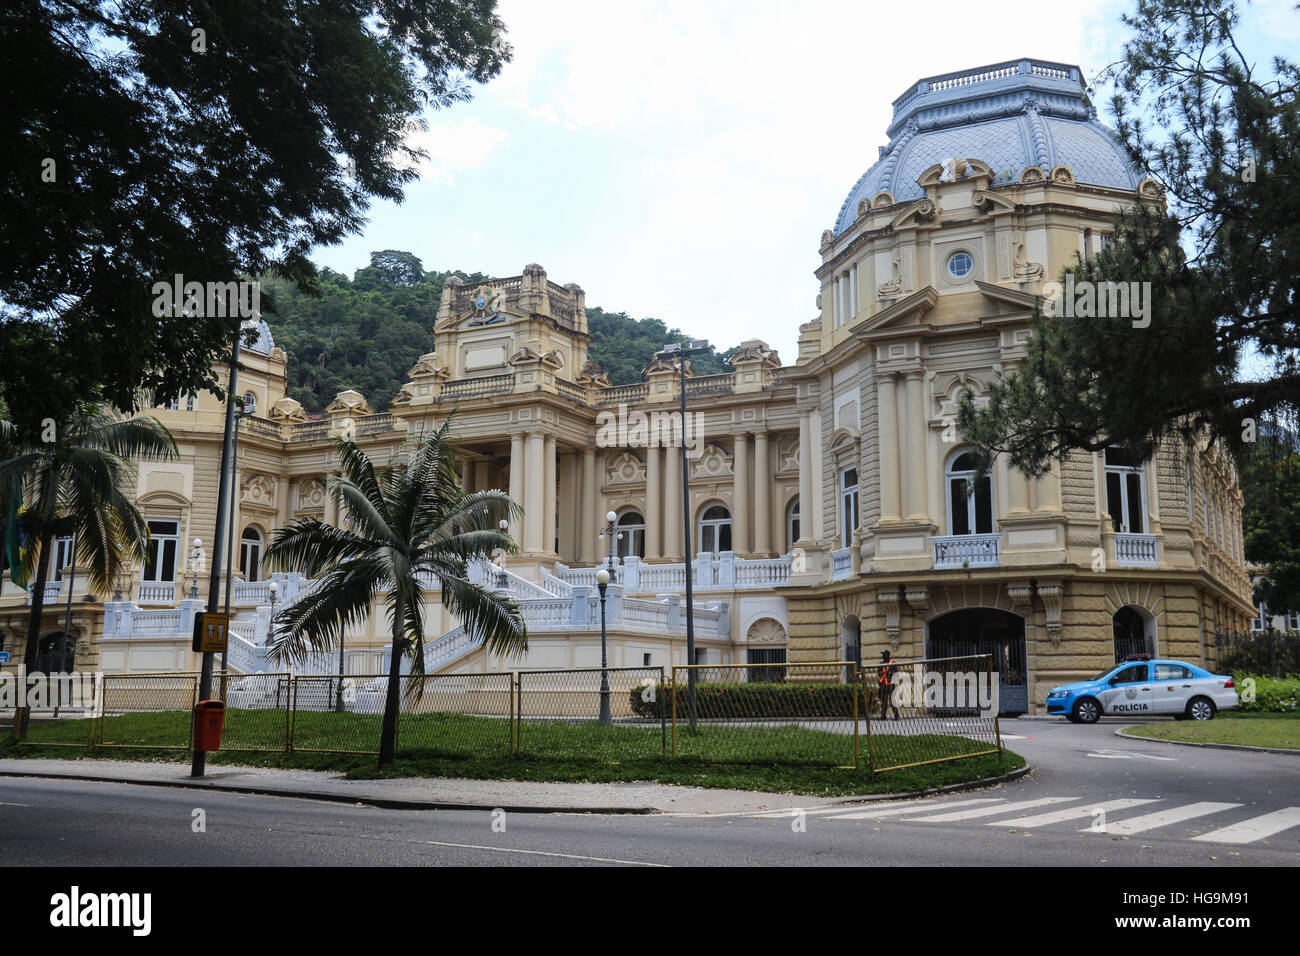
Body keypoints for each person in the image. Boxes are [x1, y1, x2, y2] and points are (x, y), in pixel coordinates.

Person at [878, 650, 900, 720]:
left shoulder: (893, 663)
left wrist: (889, 673)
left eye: (884, 655)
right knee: (884, 701)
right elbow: (878, 673)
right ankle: (883, 716)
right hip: (883, 685)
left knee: (892, 701)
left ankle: (896, 716)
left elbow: (896, 673)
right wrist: (882, 672)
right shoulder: (881, 664)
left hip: (891, 685)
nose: (882, 656)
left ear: (887, 656)